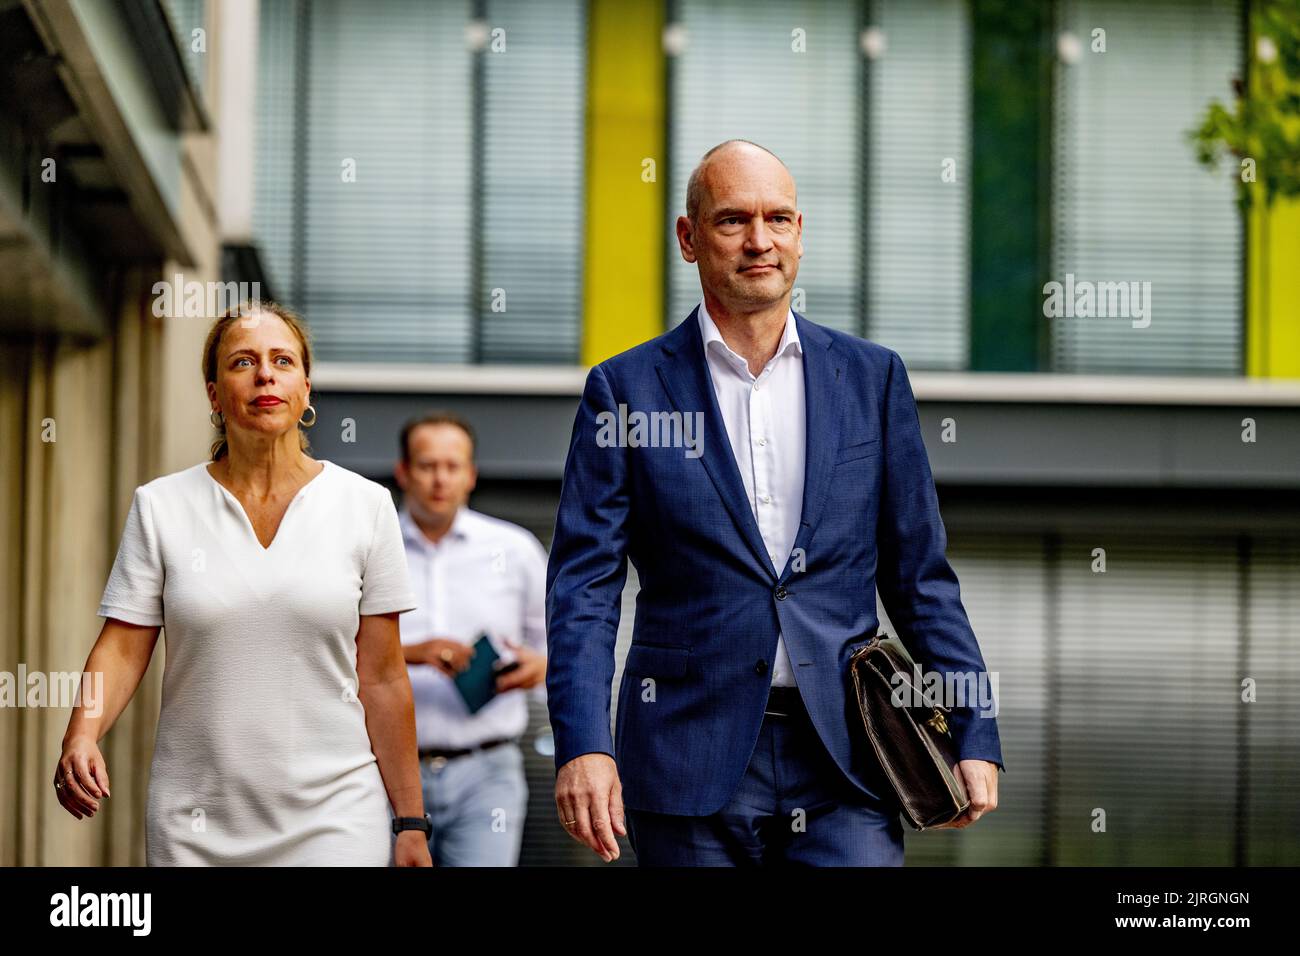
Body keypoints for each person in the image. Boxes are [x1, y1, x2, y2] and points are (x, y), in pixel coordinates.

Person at [546, 139, 1004, 866]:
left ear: (801, 232)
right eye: (733, 221)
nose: (760, 241)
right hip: (684, 759)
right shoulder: (625, 391)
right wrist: (583, 745)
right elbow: (585, 587)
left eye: (779, 219)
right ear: (689, 238)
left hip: (851, 757)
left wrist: (973, 728)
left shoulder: (873, 379)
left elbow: (920, 576)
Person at [54, 301, 433, 866]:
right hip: (196, 820)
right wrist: (80, 734)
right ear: (213, 393)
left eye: (282, 361)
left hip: (335, 816)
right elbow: (123, 648)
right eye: (243, 362)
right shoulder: (162, 507)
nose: (265, 375)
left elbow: (381, 677)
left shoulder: (366, 506)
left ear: (305, 388)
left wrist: (409, 822)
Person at [393, 412, 548, 866]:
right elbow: (333, 648)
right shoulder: (370, 548)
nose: (440, 479)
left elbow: (559, 650)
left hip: (487, 772)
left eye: (452, 466)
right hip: (384, 772)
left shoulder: (514, 550)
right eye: (427, 465)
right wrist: (411, 654)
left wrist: (535, 669)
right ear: (403, 472)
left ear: (471, 475)